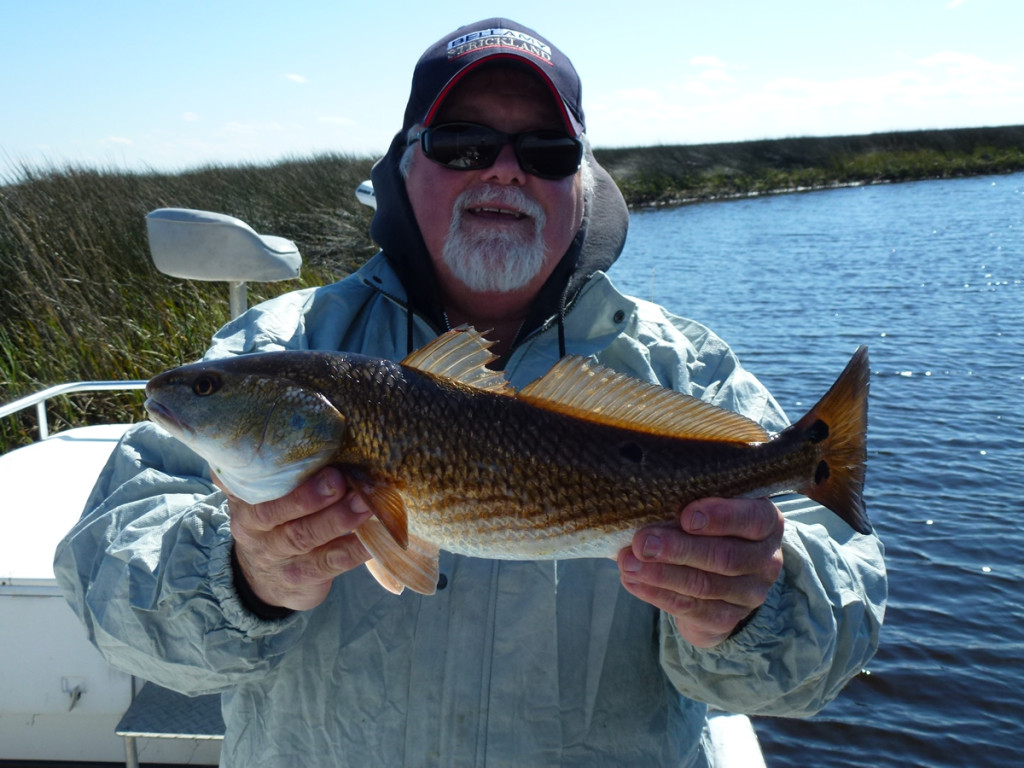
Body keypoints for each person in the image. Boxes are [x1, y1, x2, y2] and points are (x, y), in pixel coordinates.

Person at [55, 18, 886, 767]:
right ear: (403, 166)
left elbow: (827, 653)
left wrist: (744, 610)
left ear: (584, 184)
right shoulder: (279, 348)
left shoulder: (685, 369)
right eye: (462, 145)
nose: (503, 173)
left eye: (546, 154)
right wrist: (244, 573)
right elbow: (107, 598)